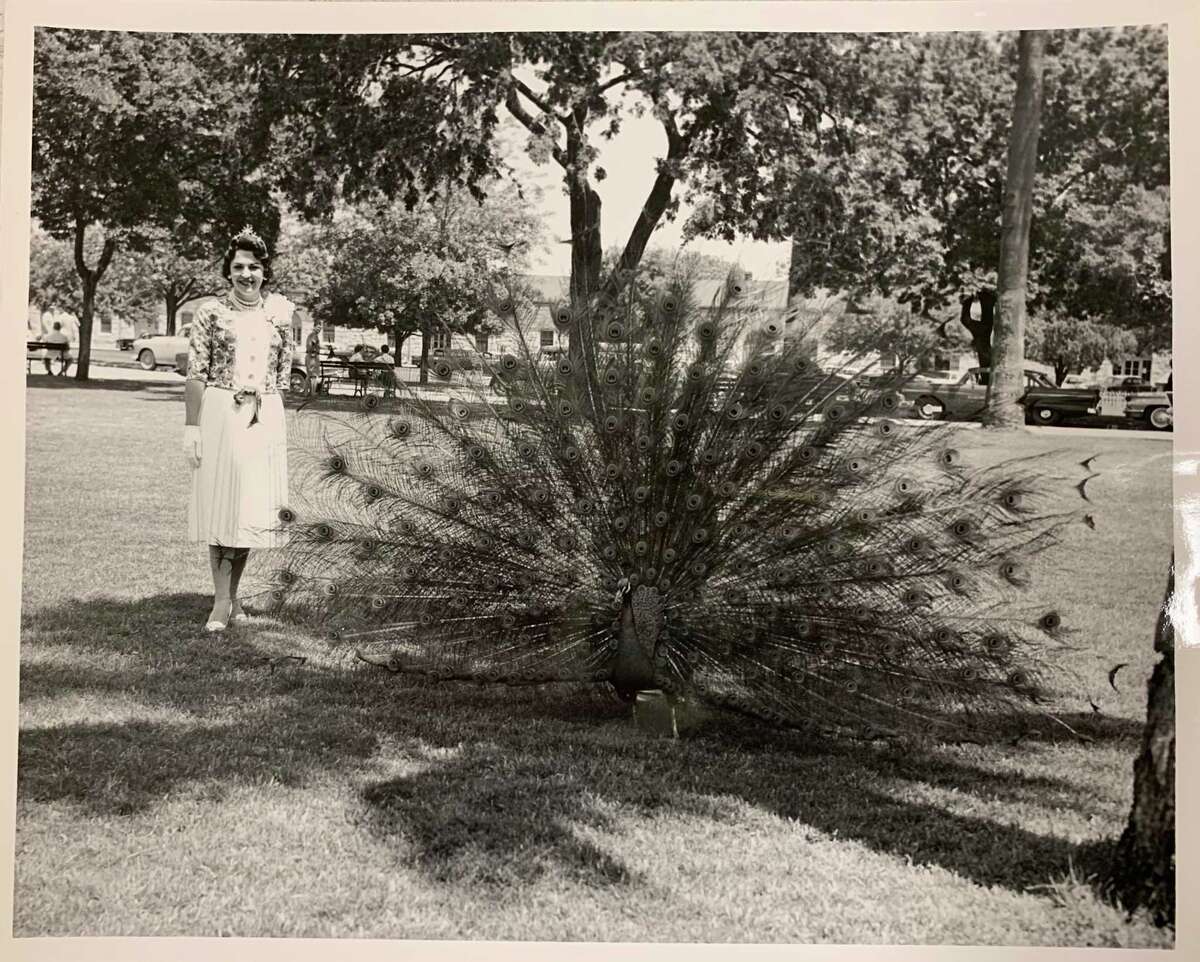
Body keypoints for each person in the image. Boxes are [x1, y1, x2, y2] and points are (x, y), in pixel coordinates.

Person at [183, 226, 294, 632]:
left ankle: (234, 596)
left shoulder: (280, 314)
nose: (247, 274)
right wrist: (192, 428)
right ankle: (220, 601)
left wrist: (272, 418)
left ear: (265, 272)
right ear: (228, 272)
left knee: (248, 508)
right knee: (221, 507)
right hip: (221, 413)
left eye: (254, 267)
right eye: (238, 267)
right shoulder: (210, 313)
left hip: (263, 415)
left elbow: (282, 375)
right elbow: (195, 374)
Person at [304, 320, 325, 395]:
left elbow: (316, 345)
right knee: (313, 376)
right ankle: (312, 393)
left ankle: (306, 393)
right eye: (318, 327)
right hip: (312, 356)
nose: (319, 329)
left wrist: (325, 347)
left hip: (310, 356)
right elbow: (312, 345)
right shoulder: (313, 335)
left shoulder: (313, 335)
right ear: (314, 327)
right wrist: (314, 352)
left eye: (320, 328)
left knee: (309, 375)